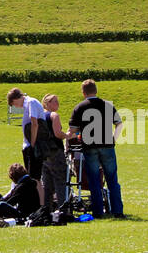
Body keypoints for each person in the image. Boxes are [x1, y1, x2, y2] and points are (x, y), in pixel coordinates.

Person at [69, 79, 124, 219]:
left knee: (94, 180)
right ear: (96, 90)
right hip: (107, 146)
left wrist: (79, 135)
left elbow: (73, 130)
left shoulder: (79, 107)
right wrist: (113, 139)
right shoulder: (107, 105)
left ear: (83, 92)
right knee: (112, 179)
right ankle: (117, 210)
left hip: (90, 147)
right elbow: (119, 124)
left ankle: (98, 212)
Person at [38, 94, 78, 209]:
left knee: (47, 185)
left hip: (44, 153)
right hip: (55, 151)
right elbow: (57, 133)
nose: (57, 104)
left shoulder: (40, 116)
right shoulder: (54, 115)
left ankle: (46, 210)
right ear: (47, 103)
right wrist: (66, 135)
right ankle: (63, 209)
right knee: (60, 182)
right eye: (54, 101)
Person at [8, 88, 48, 201]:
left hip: (33, 146)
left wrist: (33, 143)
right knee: (33, 178)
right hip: (29, 145)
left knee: (35, 179)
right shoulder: (28, 104)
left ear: (16, 98)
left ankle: (41, 205)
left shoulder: (31, 102)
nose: (16, 106)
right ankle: (38, 204)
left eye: (14, 103)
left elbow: (34, 123)